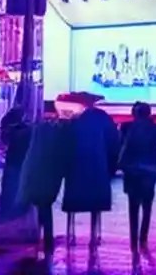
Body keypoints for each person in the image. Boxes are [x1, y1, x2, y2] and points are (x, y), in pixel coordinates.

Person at [118, 102, 156, 264]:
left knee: (132, 208)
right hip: (150, 171)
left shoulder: (126, 127)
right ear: (149, 113)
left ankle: (133, 242)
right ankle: (143, 240)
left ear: (134, 114)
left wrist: (115, 166)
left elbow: (119, 147)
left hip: (132, 171)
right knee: (147, 207)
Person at [61, 97, 118, 248]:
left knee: (74, 202)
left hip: (76, 167)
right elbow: (114, 143)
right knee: (95, 205)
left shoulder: (75, 121)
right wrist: (111, 168)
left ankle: (70, 233)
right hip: (98, 166)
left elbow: (65, 144)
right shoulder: (103, 119)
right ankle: (94, 235)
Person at [19, 102, 70, 251]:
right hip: (51, 176)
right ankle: (46, 238)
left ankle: (43, 238)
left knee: (41, 206)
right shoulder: (58, 133)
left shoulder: (37, 131)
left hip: (38, 175)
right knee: (45, 206)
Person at [0, 107, 31, 227]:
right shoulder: (27, 130)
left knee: (9, 191)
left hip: (14, 164)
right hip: (20, 164)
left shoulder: (15, 130)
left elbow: (6, 142)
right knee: (12, 191)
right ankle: (9, 217)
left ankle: (5, 217)